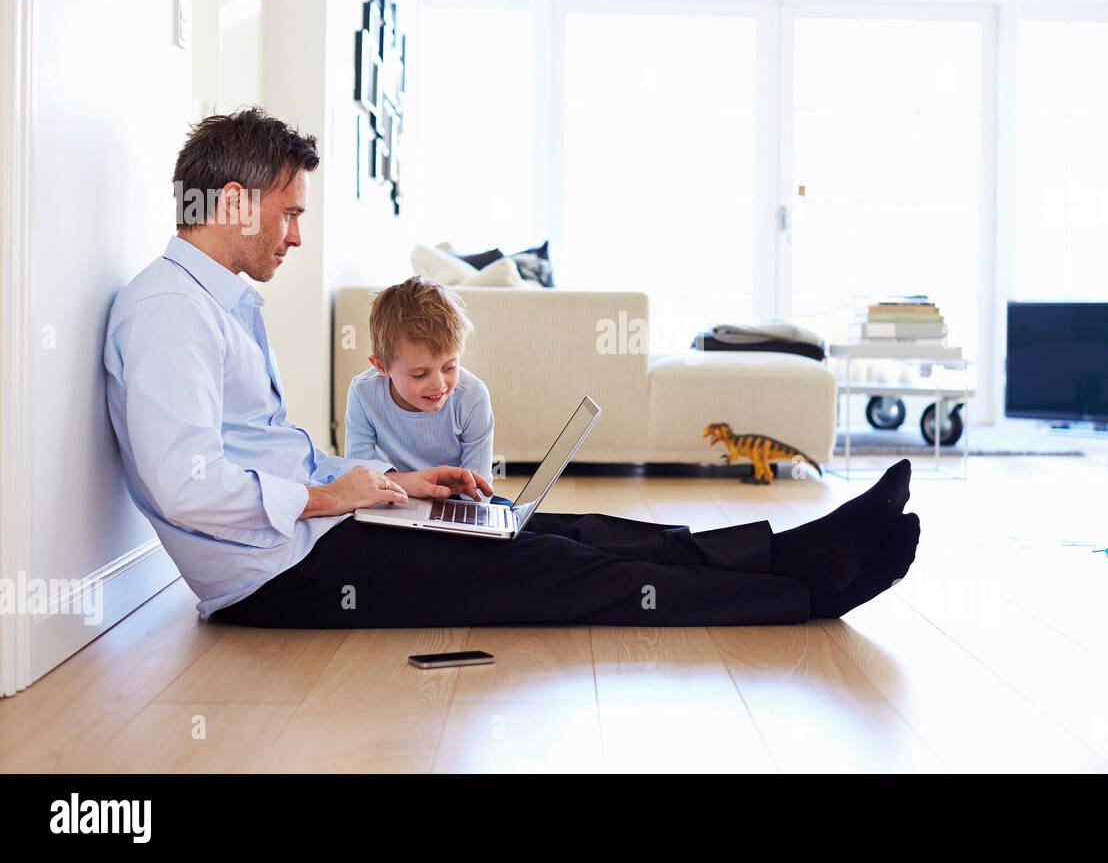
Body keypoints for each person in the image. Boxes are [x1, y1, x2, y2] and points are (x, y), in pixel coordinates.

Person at [103, 107, 920, 630]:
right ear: (237, 203)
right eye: (288, 214)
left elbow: (261, 454)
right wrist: (332, 495)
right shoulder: (172, 313)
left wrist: (392, 483)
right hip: (280, 573)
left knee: (561, 528)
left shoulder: (213, 302)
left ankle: (789, 549)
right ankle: (806, 591)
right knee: (556, 570)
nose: (296, 236)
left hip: (314, 530)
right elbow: (186, 485)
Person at [344, 275, 513, 506]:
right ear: (382, 367)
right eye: (420, 374)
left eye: (449, 367)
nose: (439, 384)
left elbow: (478, 492)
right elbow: (357, 475)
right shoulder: (363, 393)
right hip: (398, 495)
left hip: (456, 502)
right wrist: (403, 484)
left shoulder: (472, 396)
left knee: (509, 516)